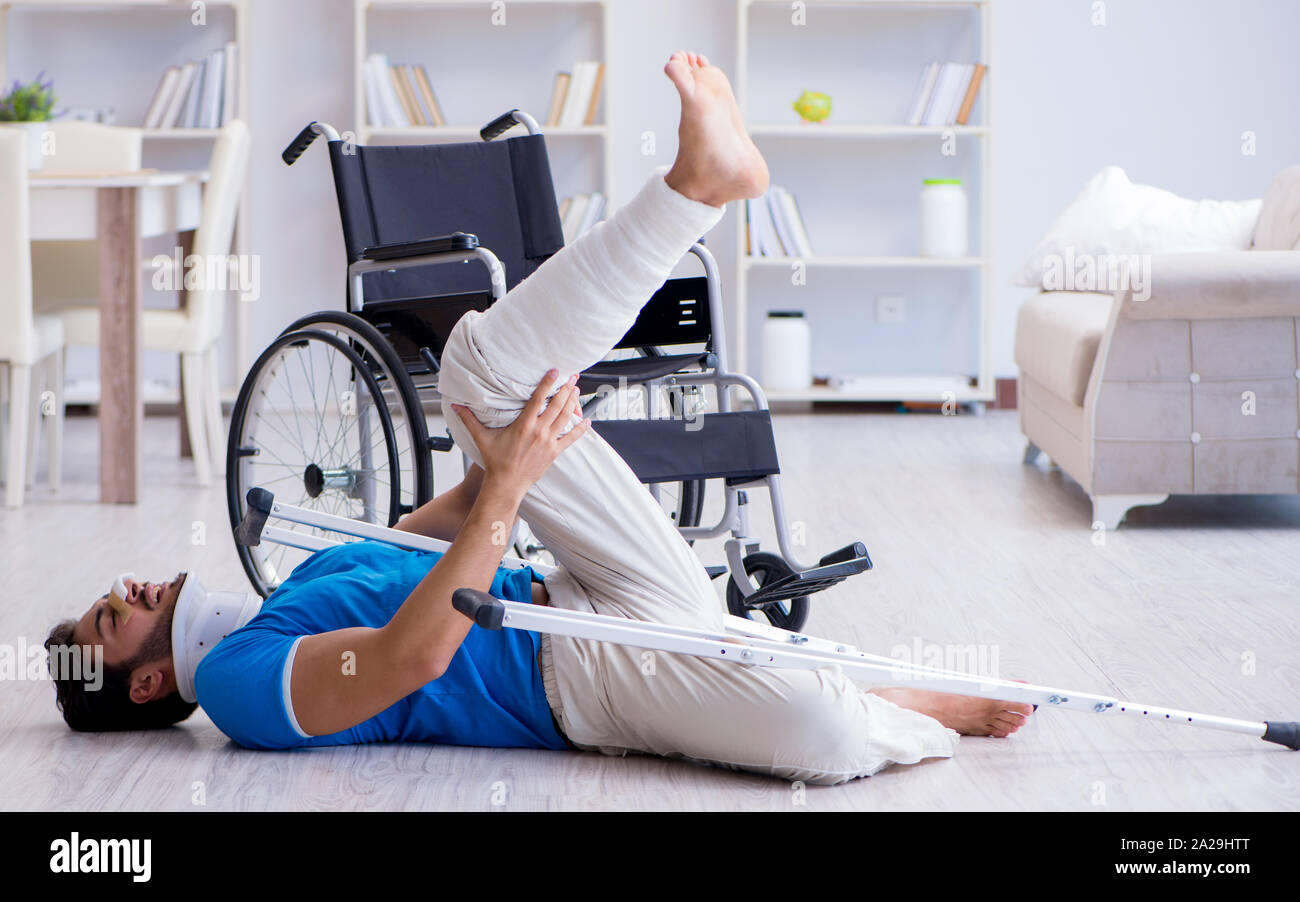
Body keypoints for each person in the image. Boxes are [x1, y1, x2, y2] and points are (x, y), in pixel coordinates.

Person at [45, 51, 1032, 785]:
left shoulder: (290, 591)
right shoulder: (241, 689)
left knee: (478, 367)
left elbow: (415, 543)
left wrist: (499, 462)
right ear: (142, 684)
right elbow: (413, 656)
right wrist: (509, 484)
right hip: (577, 678)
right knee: (819, 736)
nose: (125, 588)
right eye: (110, 615)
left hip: (576, 578)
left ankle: (700, 186)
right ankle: (922, 705)